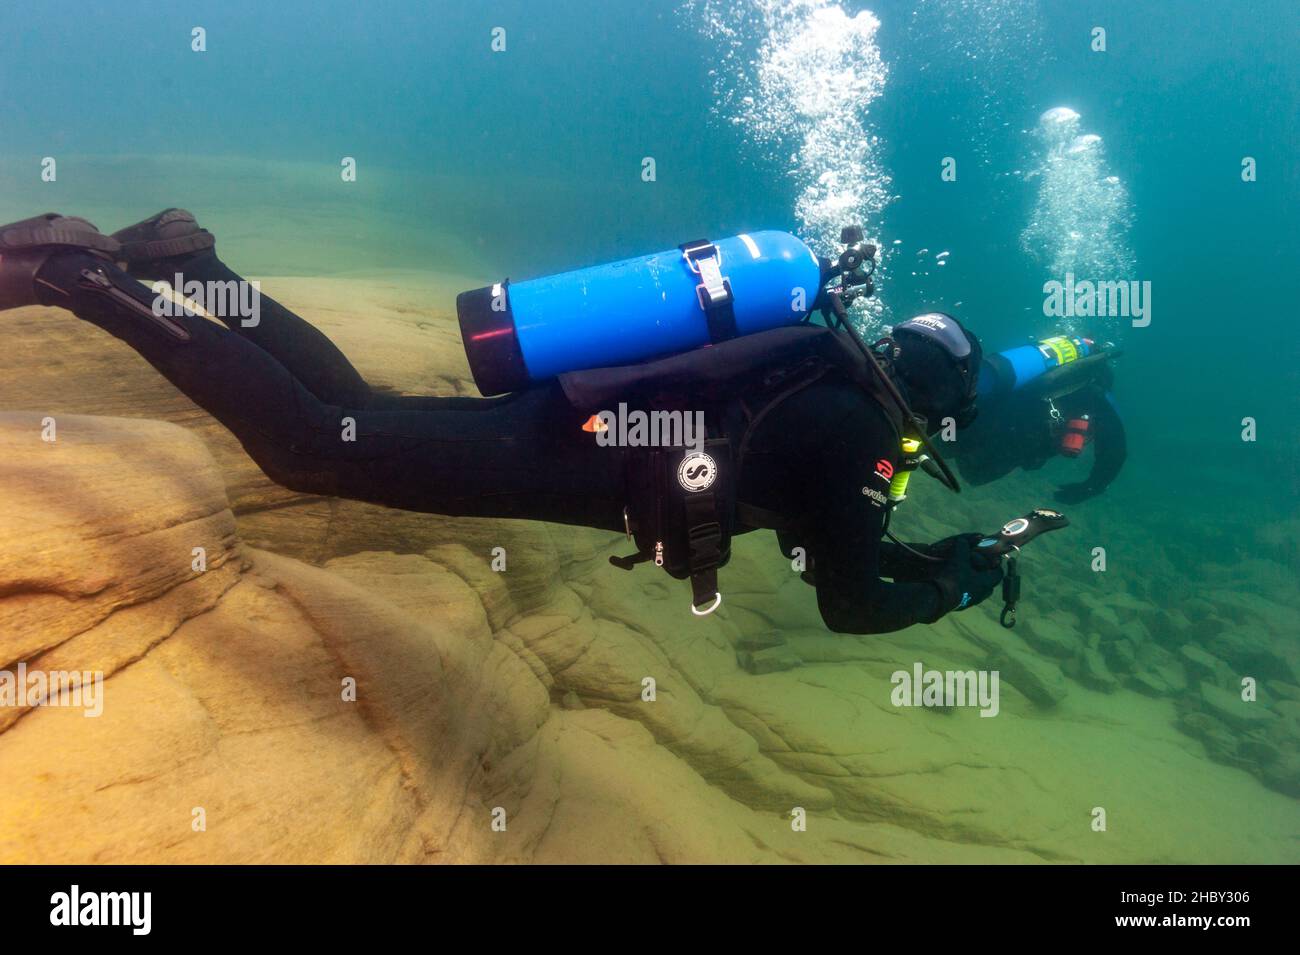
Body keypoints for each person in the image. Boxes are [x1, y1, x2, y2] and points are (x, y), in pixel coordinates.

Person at [0, 210, 1003, 633]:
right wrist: (960, 581)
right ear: (941, 402)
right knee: (308, 448)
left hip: (575, 416)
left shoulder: (818, 370)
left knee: (354, 414)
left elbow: (814, 526)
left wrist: (923, 553)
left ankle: (189, 265)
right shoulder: (858, 436)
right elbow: (848, 602)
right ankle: (75, 277)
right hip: (562, 457)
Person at [961, 338, 1126, 504]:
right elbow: (1115, 447)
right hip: (1016, 446)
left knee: (948, 442)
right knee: (973, 474)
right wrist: (1092, 487)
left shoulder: (1046, 364)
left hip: (983, 415)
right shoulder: (1098, 395)